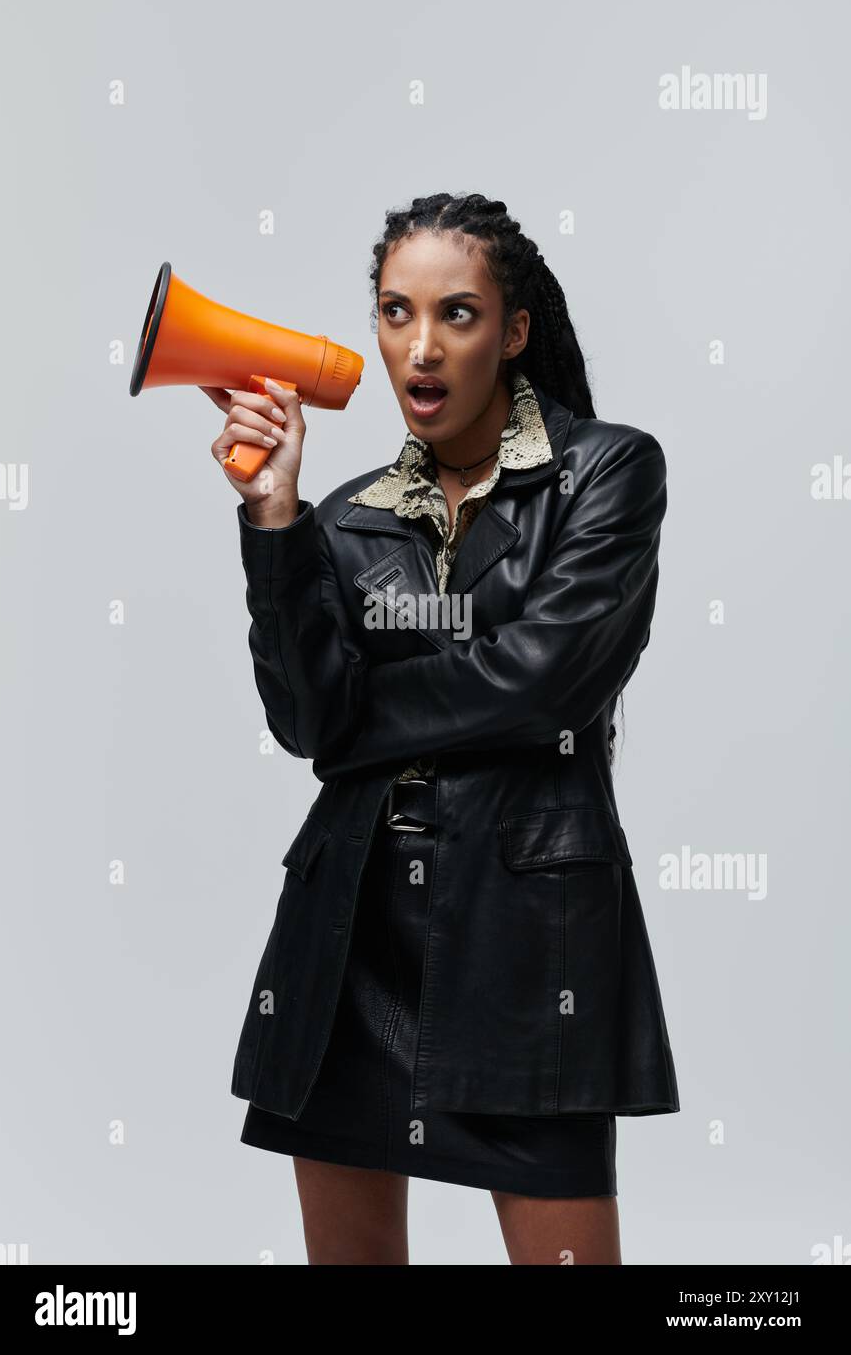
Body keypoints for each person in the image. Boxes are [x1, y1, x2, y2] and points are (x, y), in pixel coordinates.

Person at [203, 192, 680, 1266]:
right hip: (349, 930)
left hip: (524, 932)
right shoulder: (340, 516)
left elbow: (542, 682)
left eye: (455, 314)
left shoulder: (605, 472)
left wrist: (362, 719)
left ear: (511, 330)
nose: (419, 347)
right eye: (392, 312)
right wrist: (272, 518)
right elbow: (303, 720)